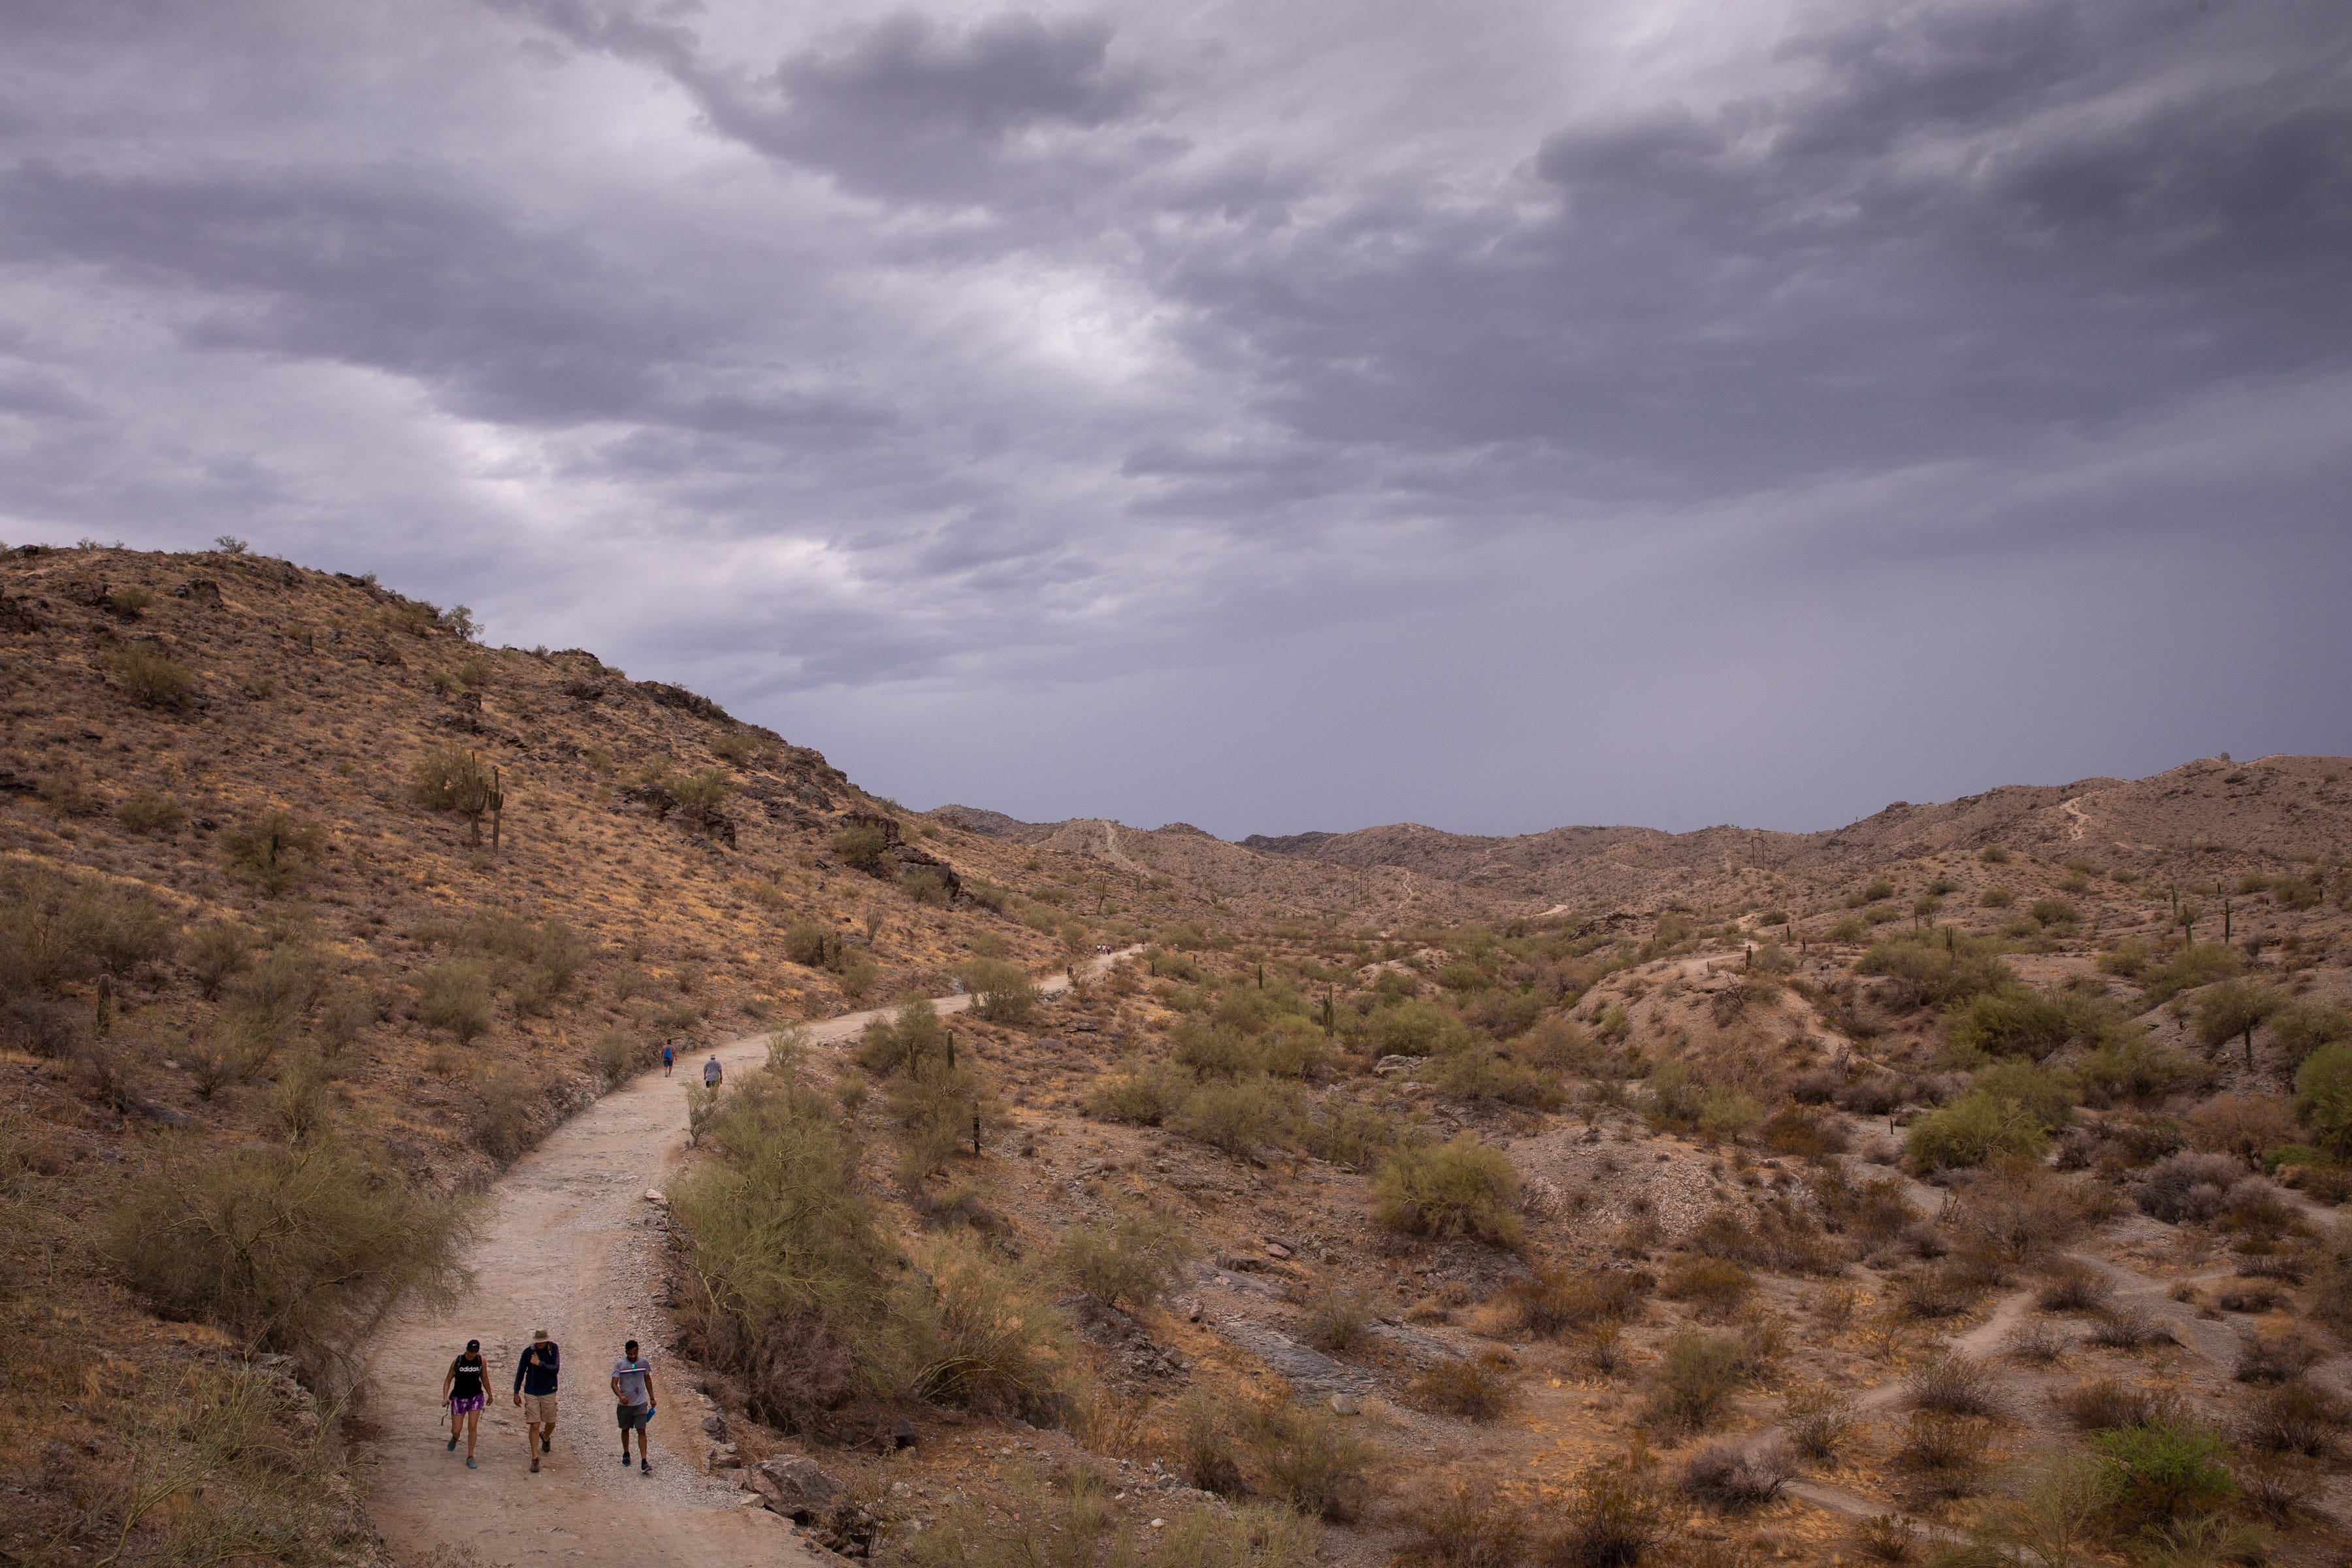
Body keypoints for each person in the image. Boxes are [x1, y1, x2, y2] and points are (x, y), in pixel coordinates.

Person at [513, 1328, 560, 1473]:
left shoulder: (553, 1349)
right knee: (534, 1424)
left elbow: (556, 1369)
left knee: (551, 1422)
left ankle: (545, 1437)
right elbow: (521, 1371)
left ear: (546, 1340)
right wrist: (516, 1392)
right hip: (532, 1391)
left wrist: (539, 1363)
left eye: (542, 1342)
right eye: (538, 1342)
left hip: (549, 1391)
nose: (540, 1345)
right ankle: (535, 1458)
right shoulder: (528, 1352)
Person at [611, 1339, 658, 1473]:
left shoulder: (643, 1363)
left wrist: (652, 1397)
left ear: (638, 1351)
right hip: (625, 1405)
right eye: (630, 1354)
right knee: (625, 1429)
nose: (633, 1356)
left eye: (635, 1353)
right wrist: (621, 1396)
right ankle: (626, 1452)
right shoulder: (619, 1365)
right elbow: (614, 1384)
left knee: (641, 1430)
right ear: (626, 1352)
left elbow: (647, 1379)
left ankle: (644, 1461)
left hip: (640, 1403)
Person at [442, 1339, 489, 1468]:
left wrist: (490, 1394)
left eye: (475, 1352)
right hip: (458, 1398)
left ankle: (470, 1456)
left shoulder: (481, 1361)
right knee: (456, 1430)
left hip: (475, 1397)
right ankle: (455, 1438)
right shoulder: (458, 1361)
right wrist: (445, 1397)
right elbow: (448, 1380)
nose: (472, 1354)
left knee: (472, 1426)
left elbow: (484, 1378)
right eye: (470, 1352)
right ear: (466, 1350)